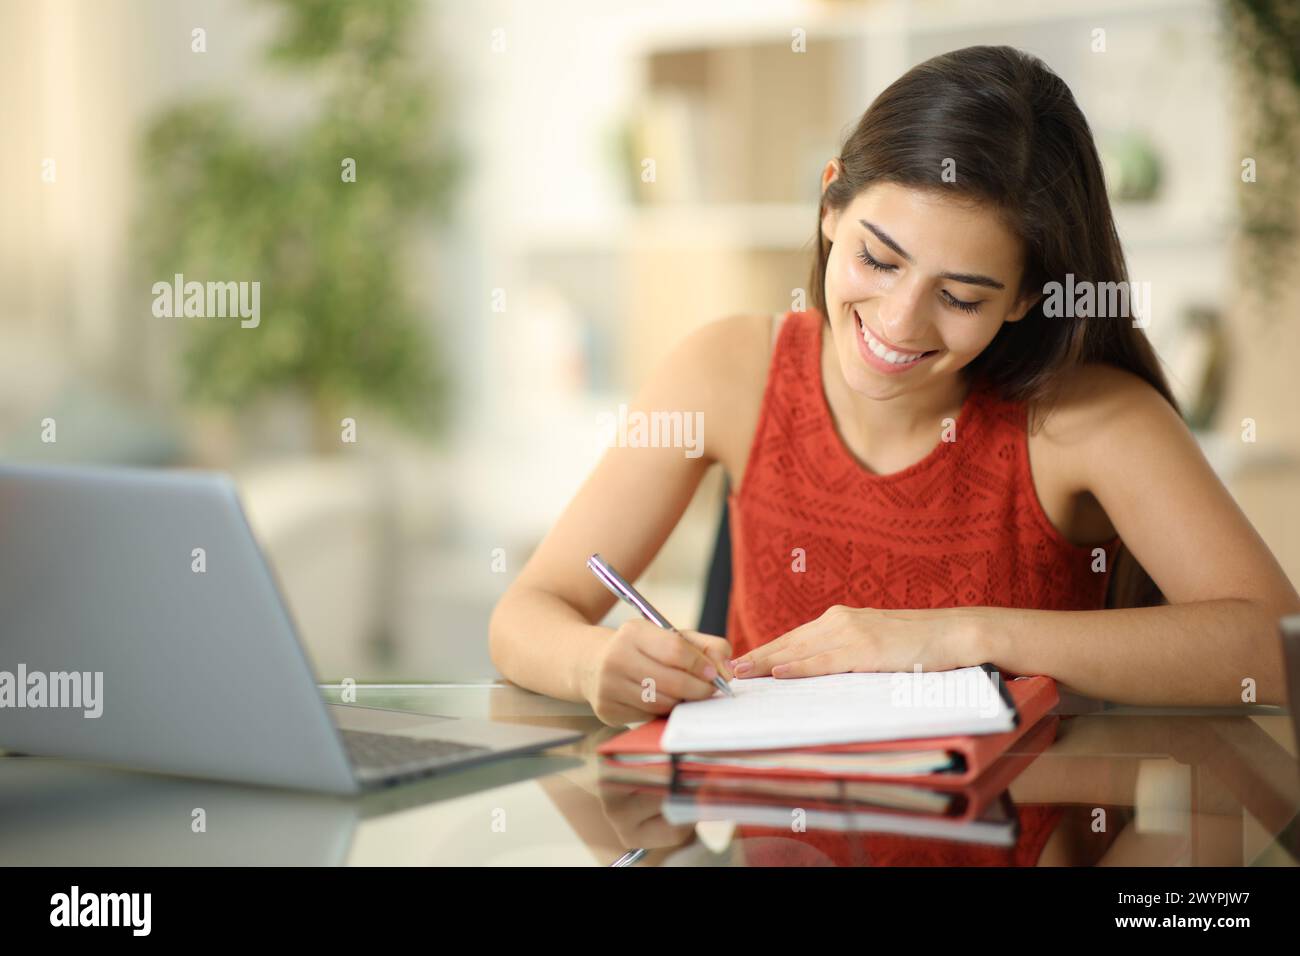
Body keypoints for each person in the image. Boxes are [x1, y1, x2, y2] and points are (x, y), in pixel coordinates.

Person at [489, 45, 1299, 729]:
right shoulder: (726, 372)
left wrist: (960, 636)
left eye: (962, 297)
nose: (899, 324)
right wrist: (597, 661)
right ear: (831, 201)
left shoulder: (1084, 418)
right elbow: (531, 612)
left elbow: (1274, 647)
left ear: (1023, 297)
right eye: (880, 259)